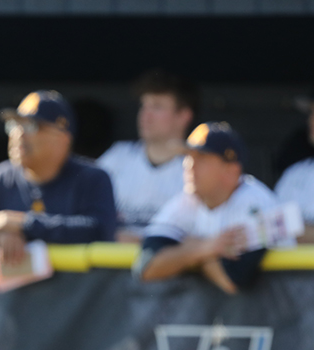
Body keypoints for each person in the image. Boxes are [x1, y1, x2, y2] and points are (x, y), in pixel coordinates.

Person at [0, 90, 117, 264]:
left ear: (63, 137)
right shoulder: (3, 177)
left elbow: (99, 230)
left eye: (31, 126)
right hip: (17, 290)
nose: (18, 135)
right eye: (14, 125)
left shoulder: (92, 177)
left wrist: (25, 224)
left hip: (78, 289)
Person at [135, 122, 285, 294]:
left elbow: (231, 282)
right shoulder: (187, 201)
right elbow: (145, 267)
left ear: (231, 170)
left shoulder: (259, 204)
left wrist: (187, 249)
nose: (189, 166)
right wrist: (205, 248)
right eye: (188, 157)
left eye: (201, 158)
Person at [97, 69, 199, 242]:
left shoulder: (199, 168)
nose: (146, 115)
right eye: (144, 106)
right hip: (109, 265)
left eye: (157, 107)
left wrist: (141, 242)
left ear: (184, 115)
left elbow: (203, 237)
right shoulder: (116, 157)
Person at [274, 93, 314, 243]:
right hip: (293, 266)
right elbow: (271, 228)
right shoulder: (295, 174)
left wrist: (298, 230)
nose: (311, 120)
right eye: (311, 113)